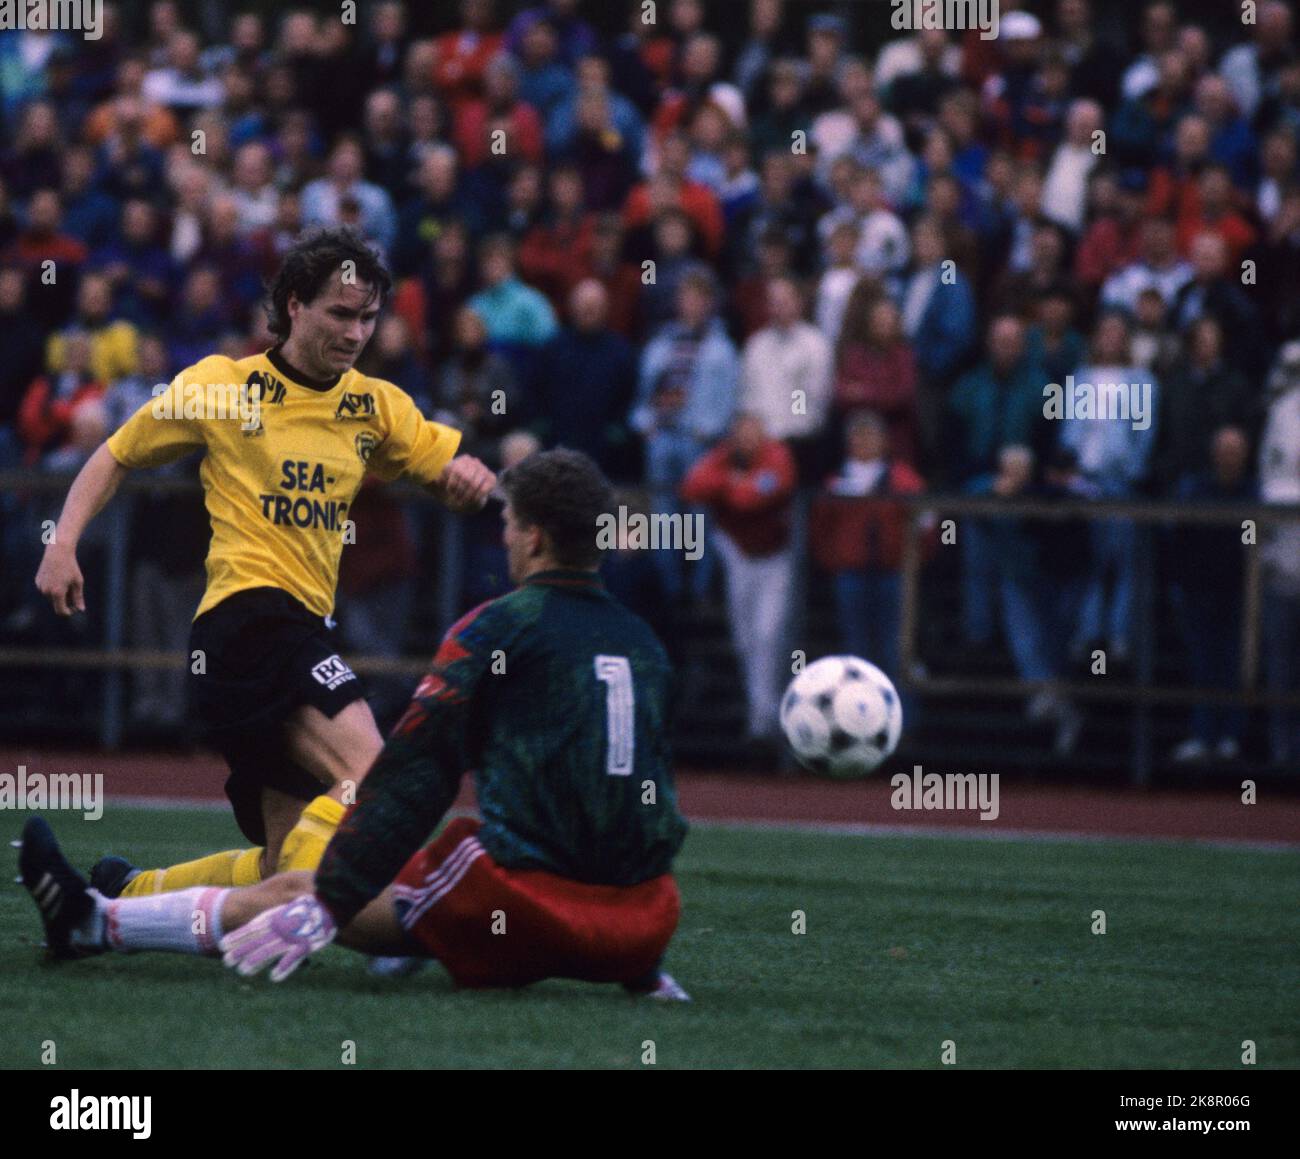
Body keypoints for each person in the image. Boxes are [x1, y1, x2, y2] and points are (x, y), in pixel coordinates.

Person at [20, 450, 691, 1000]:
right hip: (641, 924)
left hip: (525, 910)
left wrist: (333, 901)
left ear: (536, 537)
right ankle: (130, 882)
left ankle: (97, 921)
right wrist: (639, 962)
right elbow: (654, 807)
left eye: (510, 523)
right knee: (309, 852)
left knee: (309, 880)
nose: (505, 536)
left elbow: (411, 780)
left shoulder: (497, 628)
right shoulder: (646, 645)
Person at [33, 227, 496, 900]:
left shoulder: (374, 405)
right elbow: (116, 454)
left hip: (299, 631)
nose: (356, 332)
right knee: (373, 774)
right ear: (293, 305)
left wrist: (468, 476)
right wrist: (61, 541)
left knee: (287, 866)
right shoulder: (226, 386)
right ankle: (402, 925)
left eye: (368, 317)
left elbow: (444, 467)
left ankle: (116, 899)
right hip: (247, 622)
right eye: (340, 313)